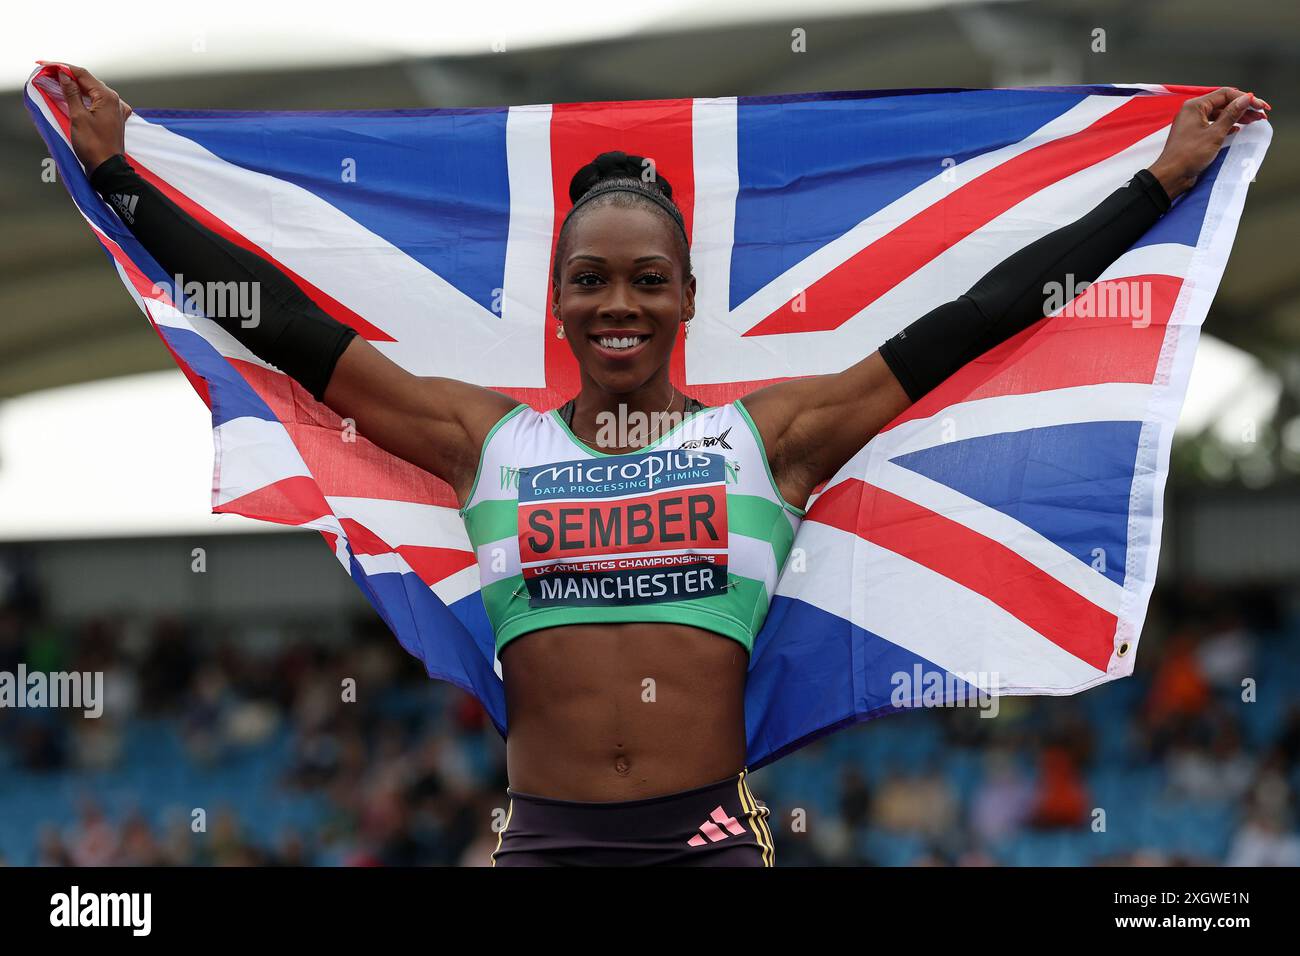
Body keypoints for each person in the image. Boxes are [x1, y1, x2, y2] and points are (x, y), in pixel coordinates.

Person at [51, 63, 1267, 866]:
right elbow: (289, 331)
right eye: (591, 279)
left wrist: (1155, 183)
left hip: (706, 842)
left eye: (644, 279)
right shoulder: (483, 443)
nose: (617, 301)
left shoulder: (769, 440)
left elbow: (979, 315)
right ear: (557, 301)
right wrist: (117, 178)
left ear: (687, 295)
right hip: (541, 841)